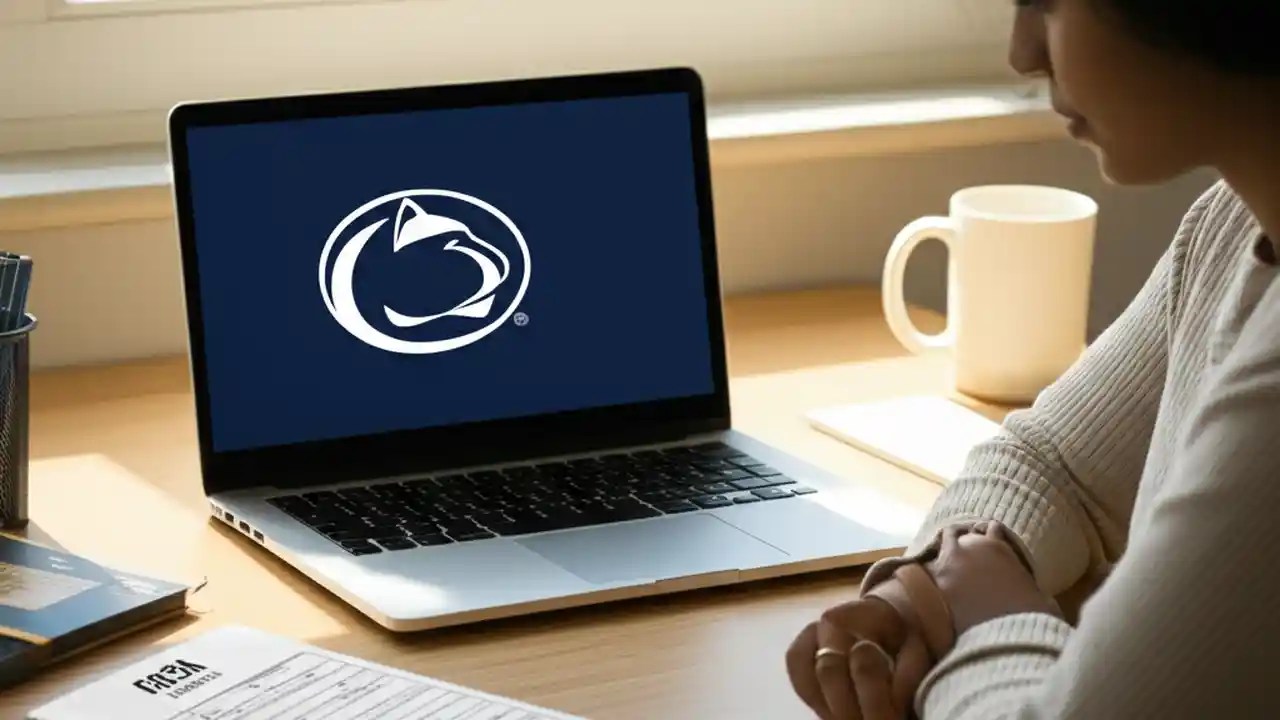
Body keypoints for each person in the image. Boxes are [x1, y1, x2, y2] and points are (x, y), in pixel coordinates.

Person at [785, 0, 1280, 718]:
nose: (1022, 52)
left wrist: (990, 622)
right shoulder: (1233, 223)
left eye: (1044, 3)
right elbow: (1052, 466)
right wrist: (923, 591)